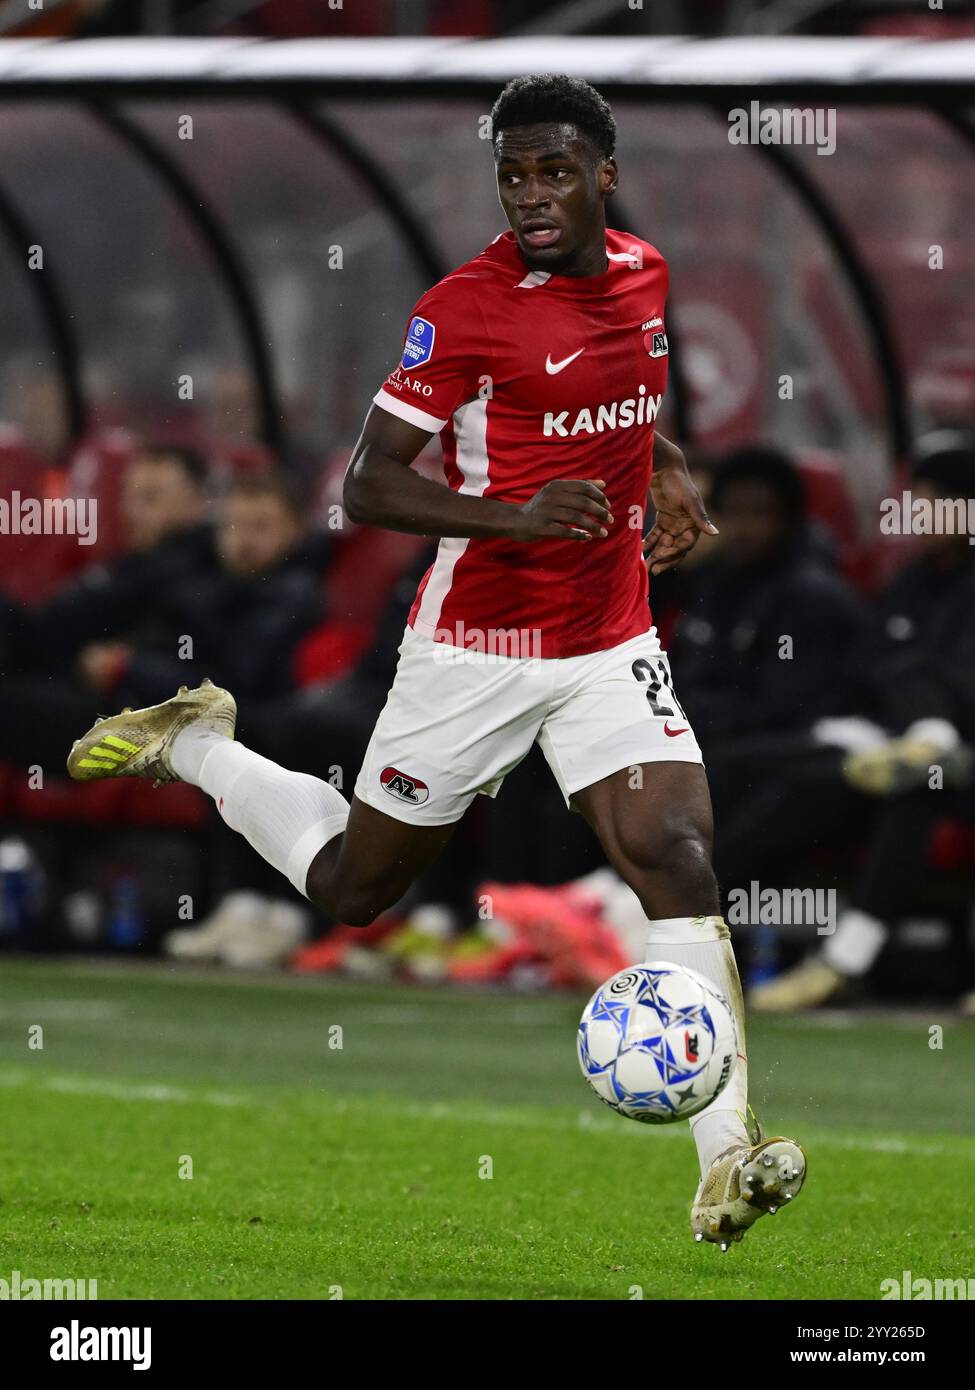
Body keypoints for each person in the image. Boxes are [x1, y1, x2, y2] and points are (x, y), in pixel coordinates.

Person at [67, 74, 805, 1250]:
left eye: (554, 170)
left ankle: (727, 1161)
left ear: (604, 176)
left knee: (676, 854)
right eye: (512, 175)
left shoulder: (647, 276)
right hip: (475, 647)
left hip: (609, 636)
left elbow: (618, 388)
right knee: (360, 889)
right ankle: (199, 742)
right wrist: (520, 516)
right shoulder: (462, 308)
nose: (530, 196)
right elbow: (366, 482)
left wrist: (658, 461)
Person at [746, 433, 975, 1012]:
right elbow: (861, 676)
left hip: (963, 766)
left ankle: (844, 961)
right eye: (917, 495)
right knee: (794, 772)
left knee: (917, 787)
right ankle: (657, 917)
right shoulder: (909, 584)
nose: (918, 512)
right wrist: (850, 729)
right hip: (892, 752)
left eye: (935, 497)